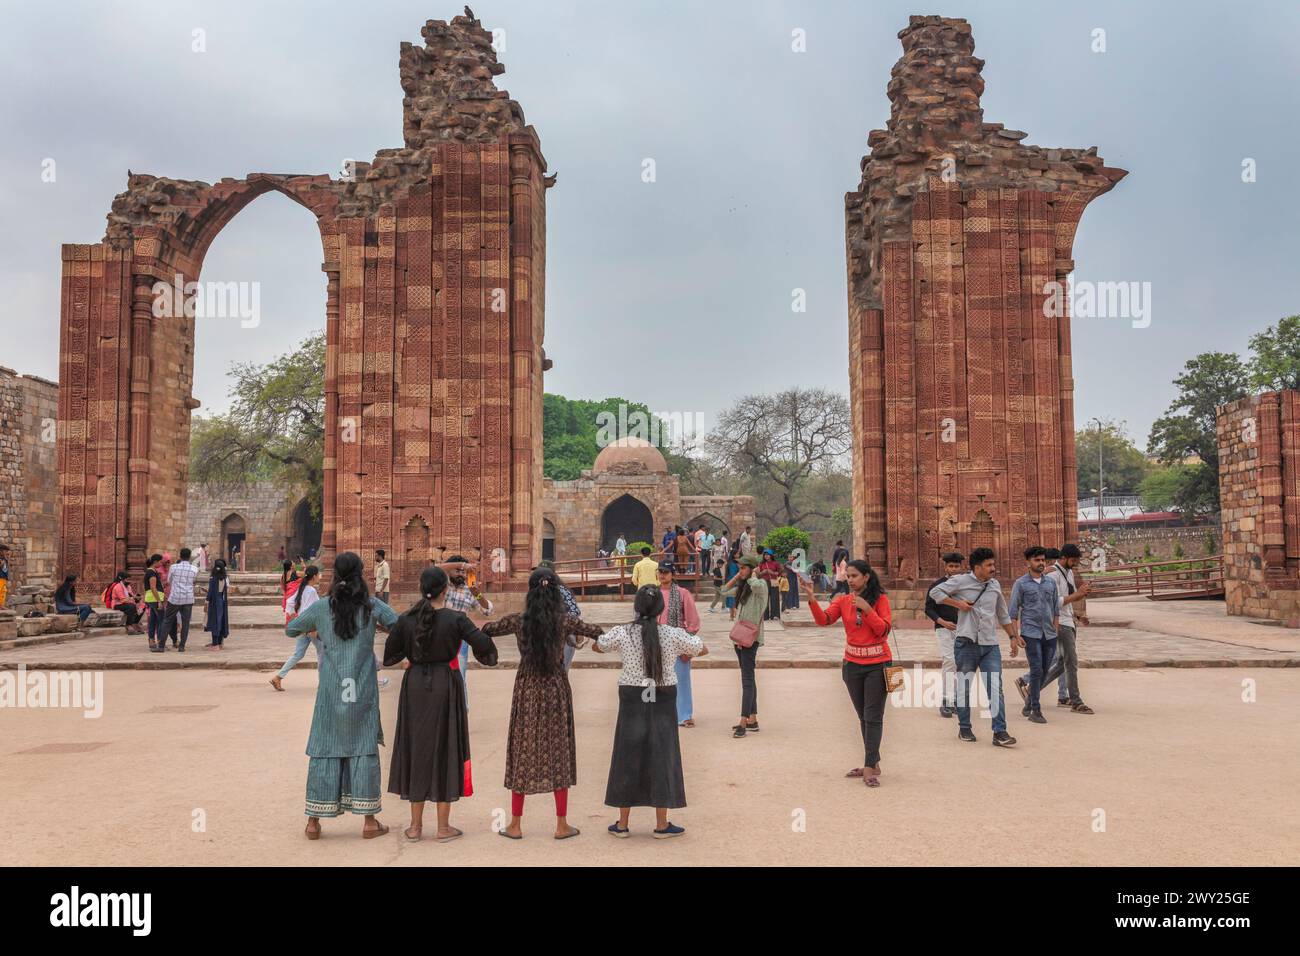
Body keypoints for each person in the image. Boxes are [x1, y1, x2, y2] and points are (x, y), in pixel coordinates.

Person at [479, 567, 604, 841]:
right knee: (558, 750)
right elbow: (597, 632)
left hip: (527, 687)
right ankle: (561, 824)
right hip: (556, 688)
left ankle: (515, 824)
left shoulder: (518, 621)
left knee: (523, 749)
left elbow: (487, 630)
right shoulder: (565, 621)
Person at [384, 565, 499, 842]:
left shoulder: (407, 619)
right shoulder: (455, 619)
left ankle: (415, 827)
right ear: (445, 591)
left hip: (414, 688)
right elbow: (484, 646)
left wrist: (413, 655)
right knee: (445, 747)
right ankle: (443, 827)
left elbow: (389, 656)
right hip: (445, 684)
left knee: (417, 747)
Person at [288, 551, 397, 840]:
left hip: (331, 691)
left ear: (335, 575)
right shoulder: (371, 607)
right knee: (363, 747)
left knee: (325, 746)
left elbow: (291, 629)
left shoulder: (322, 608)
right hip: (361, 690)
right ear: (361, 575)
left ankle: (313, 822)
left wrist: (317, 631)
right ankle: (370, 822)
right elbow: (398, 624)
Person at [592, 584, 703, 838]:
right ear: (660, 610)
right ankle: (662, 824)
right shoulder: (671, 634)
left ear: (636, 607)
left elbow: (599, 646)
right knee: (663, 753)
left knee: (626, 753)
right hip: (662, 696)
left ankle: (622, 823)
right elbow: (699, 647)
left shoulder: (623, 632)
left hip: (632, 696)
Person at [803, 559, 893, 787]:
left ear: (866, 577)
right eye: (848, 576)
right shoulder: (843, 601)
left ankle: (869, 766)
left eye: (854, 576)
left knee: (873, 717)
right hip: (852, 665)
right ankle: (874, 762)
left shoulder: (880, 600)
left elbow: (883, 630)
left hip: (878, 663)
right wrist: (812, 599)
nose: (850, 580)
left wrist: (867, 608)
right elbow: (824, 620)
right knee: (864, 716)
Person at [929, 547, 1023, 747]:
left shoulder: (994, 585)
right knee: (964, 688)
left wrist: (1012, 636)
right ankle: (964, 727)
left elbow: (1002, 614)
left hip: (990, 644)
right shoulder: (961, 581)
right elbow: (935, 593)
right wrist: (957, 604)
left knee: (995, 688)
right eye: (989, 565)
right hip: (966, 643)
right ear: (977, 567)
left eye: (993, 564)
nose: (993, 568)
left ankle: (1000, 732)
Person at [1032, 543, 1095, 714]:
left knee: (1061, 663)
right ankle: (1076, 701)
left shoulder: (1067, 573)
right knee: (1071, 662)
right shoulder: (1053, 576)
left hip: (1068, 620)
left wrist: (1079, 613)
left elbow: (1071, 599)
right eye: (1073, 560)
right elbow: (1052, 602)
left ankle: (1032, 690)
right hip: (1060, 623)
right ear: (1064, 558)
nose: (1074, 563)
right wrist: (1077, 594)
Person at [1008, 546, 1059, 725]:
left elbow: (1055, 609)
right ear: (1028, 563)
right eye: (1037, 560)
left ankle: (1029, 702)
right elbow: (1013, 612)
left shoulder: (1050, 583)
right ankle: (1036, 710)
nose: (1041, 563)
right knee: (1037, 669)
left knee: (1045, 671)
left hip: (1049, 634)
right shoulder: (1021, 584)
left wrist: (1056, 629)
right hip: (1031, 633)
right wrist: (1016, 635)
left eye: (1043, 560)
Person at [719, 554, 768, 737]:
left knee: (747, 681)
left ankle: (743, 721)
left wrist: (753, 574)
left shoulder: (760, 585)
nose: (740, 571)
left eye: (743, 568)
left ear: (752, 569)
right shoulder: (743, 587)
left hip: (751, 640)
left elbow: (756, 585)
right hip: (739, 639)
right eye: (739, 568)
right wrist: (737, 577)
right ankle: (753, 719)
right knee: (748, 678)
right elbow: (723, 591)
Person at [657, 562, 706, 727]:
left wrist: (687, 646)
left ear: (672, 574)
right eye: (660, 571)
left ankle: (684, 714)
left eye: (665, 572)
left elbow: (693, 621)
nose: (662, 575)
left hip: (678, 643)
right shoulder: (653, 593)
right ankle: (658, 715)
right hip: (656, 643)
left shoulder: (682, 594)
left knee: (682, 680)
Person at [442, 555, 493, 706]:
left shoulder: (469, 590)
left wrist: (476, 591)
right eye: (457, 571)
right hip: (439, 637)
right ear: (449, 571)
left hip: (460, 641)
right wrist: (463, 565)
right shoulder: (441, 585)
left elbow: (487, 610)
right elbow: (433, 570)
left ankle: (462, 714)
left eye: (463, 572)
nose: (461, 574)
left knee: (459, 677)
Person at [924, 552, 965, 718]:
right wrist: (941, 622)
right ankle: (946, 701)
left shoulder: (965, 585)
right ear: (945, 567)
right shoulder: (937, 585)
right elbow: (928, 608)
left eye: (957, 566)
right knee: (949, 661)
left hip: (963, 629)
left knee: (961, 664)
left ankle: (956, 699)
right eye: (951, 566)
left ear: (961, 567)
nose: (954, 569)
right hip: (944, 628)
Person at [270, 565, 322, 691]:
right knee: (322, 654)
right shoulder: (311, 591)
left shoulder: (302, 589)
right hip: (311, 627)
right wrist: (313, 628)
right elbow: (314, 610)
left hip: (302, 626)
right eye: (318, 574)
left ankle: (278, 677)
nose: (319, 577)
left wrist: (294, 617)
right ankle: (323, 684)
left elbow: (289, 603)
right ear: (314, 576)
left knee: (298, 654)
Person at [156, 548, 199, 652]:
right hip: (188, 598)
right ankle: (182, 646)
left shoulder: (174, 567)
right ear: (189, 557)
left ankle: (161, 646)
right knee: (185, 623)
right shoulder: (194, 569)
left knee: (167, 621)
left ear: (180, 555)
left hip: (175, 598)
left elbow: (169, 581)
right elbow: (193, 581)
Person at [202, 558, 230, 650]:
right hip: (221, 602)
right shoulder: (224, 578)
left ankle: (215, 645)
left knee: (214, 622)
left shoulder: (213, 578)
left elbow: (211, 592)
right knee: (220, 621)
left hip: (214, 602)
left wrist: (206, 601)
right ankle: (219, 642)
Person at [142, 554, 165, 648]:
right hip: (155, 599)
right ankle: (159, 641)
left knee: (153, 620)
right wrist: (159, 601)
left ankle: (151, 640)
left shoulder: (150, 571)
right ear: (155, 562)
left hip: (151, 599)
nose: (161, 563)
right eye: (160, 561)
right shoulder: (151, 572)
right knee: (161, 620)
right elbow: (153, 587)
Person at [757, 550, 783, 621]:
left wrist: (772, 572)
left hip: (773, 582)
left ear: (771, 555)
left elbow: (780, 573)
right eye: (765, 555)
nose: (766, 556)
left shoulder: (776, 563)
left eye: (768, 554)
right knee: (764, 599)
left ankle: (775, 615)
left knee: (774, 599)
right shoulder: (761, 564)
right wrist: (763, 572)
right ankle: (765, 616)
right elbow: (757, 574)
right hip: (764, 583)